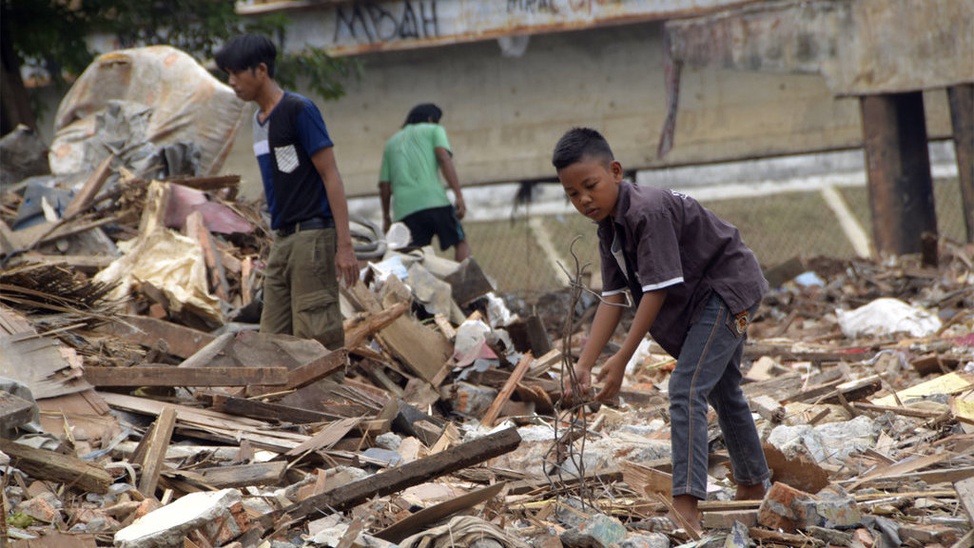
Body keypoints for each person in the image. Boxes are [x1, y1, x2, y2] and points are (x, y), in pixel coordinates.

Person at [554, 127, 770, 533]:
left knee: (685, 388)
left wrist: (620, 360)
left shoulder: (646, 212)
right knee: (724, 390)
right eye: (572, 194)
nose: (583, 200)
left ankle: (686, 504)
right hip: (706, 297)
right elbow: (614, 296)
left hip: (728, 290)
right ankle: (754, 485)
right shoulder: (610, 226)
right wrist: (583, 363)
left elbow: (654, 293)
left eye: (590, 186)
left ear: (615, 171)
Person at [215, 34, 358, 351]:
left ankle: (326, 398)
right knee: (273, 337)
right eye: (228, 74)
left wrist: (344, 245)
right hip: (283, 239)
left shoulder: (299, 110)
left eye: (237, 73)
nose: (232, 82)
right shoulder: (258, 121)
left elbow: (330, 174)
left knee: (315, 337)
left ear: (261, 70)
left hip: (313, 235)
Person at [379, 103, 471, 261]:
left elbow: (385, 187)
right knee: (460, 242)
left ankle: (420, 285)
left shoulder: (390, 144)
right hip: (435, 201)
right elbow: (443, 157)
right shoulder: (434, 129)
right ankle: (467, 283)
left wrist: (386, 217)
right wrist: (459, 195)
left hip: (405, 210)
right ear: (430, 119)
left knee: (414, 256)